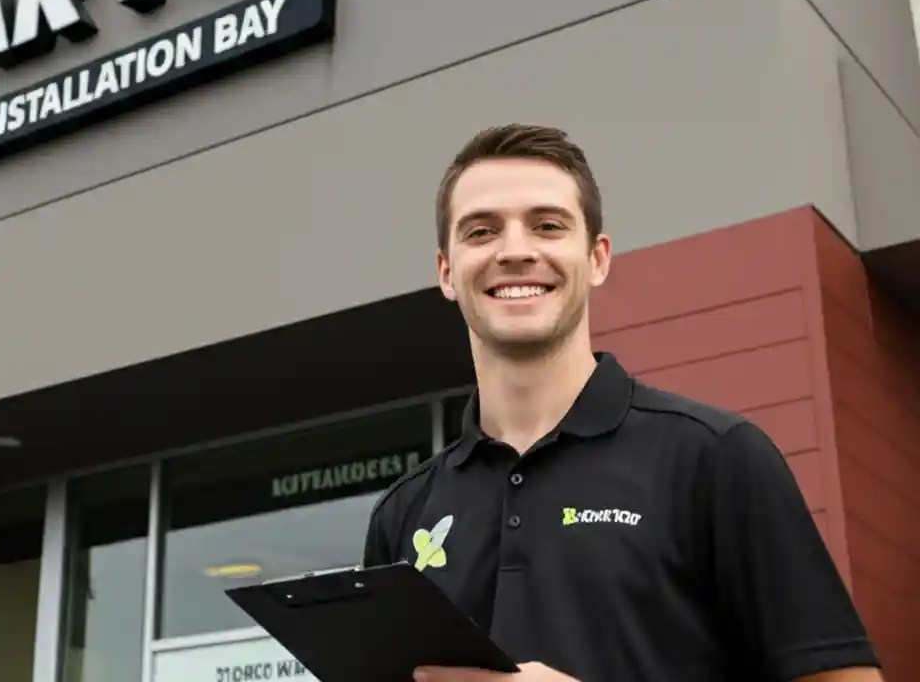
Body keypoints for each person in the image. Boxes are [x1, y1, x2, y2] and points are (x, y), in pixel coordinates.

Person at [361, 124, 884, 682]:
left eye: (547, 226)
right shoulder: (403, 513)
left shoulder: (716, 459)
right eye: (482, 231)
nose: (514, 251)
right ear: (446, 271)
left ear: (598, 258)